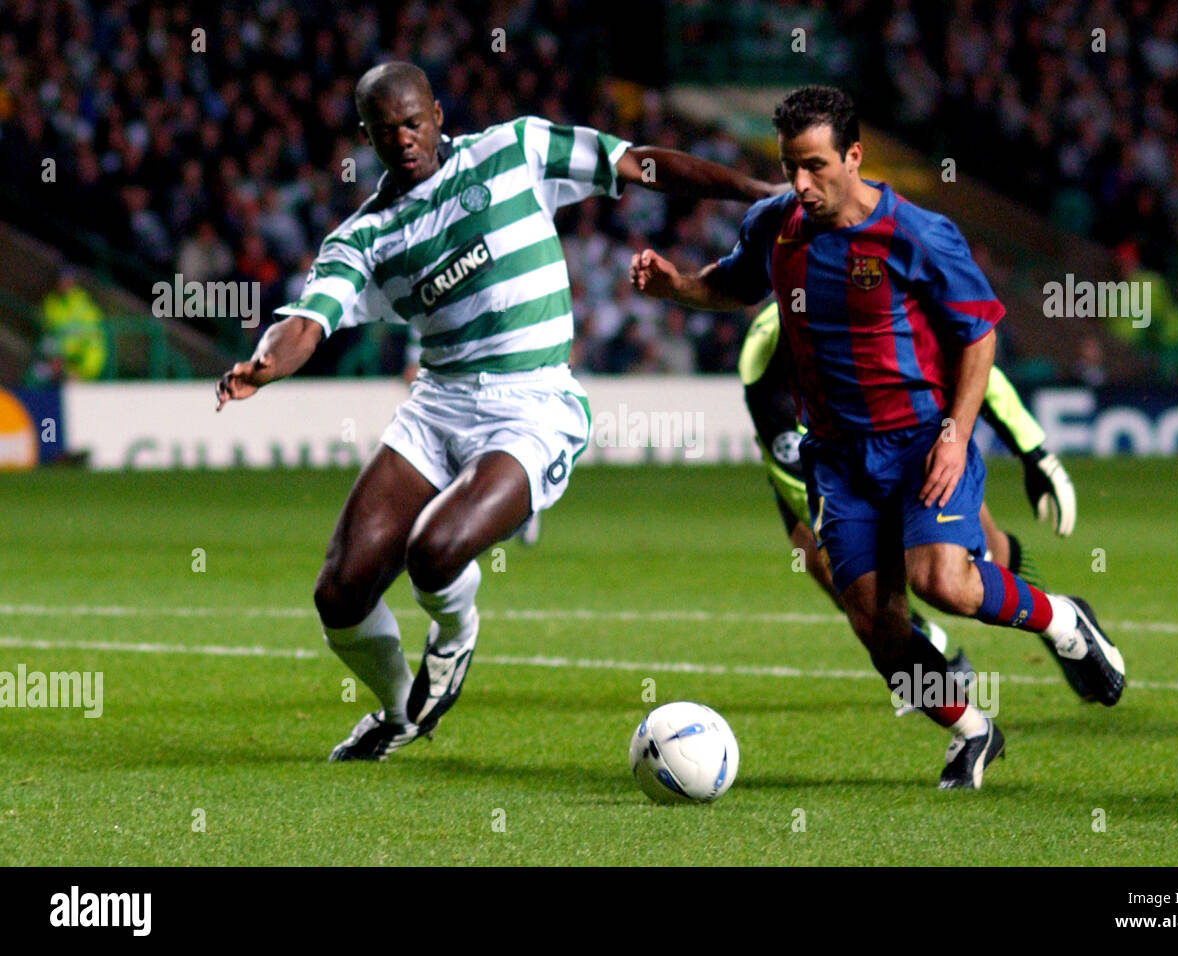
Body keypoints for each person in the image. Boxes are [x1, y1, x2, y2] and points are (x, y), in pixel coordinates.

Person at [215, 62, 782, 761]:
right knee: (339, 594)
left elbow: (637, 164)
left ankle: (453, 641)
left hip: (532, 404)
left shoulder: (515, 150)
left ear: (438, 113)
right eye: (385, 129)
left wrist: (760, 192)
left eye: (413, 121)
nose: (403, 138)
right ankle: (400, 714)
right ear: (365, 137)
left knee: (435, 549)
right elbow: (306, 320)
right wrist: (265, 364)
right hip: (437, 407)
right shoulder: (363, 237)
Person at [631, 86, 1124, 790]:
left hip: (922, 441)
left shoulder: (917, 234)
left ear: (854, 156)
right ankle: (971, 730)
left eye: (814, 166)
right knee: (876, 622)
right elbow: (733, 287)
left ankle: (1062, 619)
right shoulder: (777, 223)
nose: (800, 183)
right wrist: (674, 285)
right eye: (789, 166)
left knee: (943, 584)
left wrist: (956, 436)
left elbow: (978, 334)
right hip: (837, 456)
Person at [739, 301, 1077, 677]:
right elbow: (799, 483)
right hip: (823, 459)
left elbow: (975, 362)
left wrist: (1032, 450)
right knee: (826, 561)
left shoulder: (885, 310)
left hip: (904, 438)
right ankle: (935, 661)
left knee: (977, 557)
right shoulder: (766, 368)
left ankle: (1061, 623)